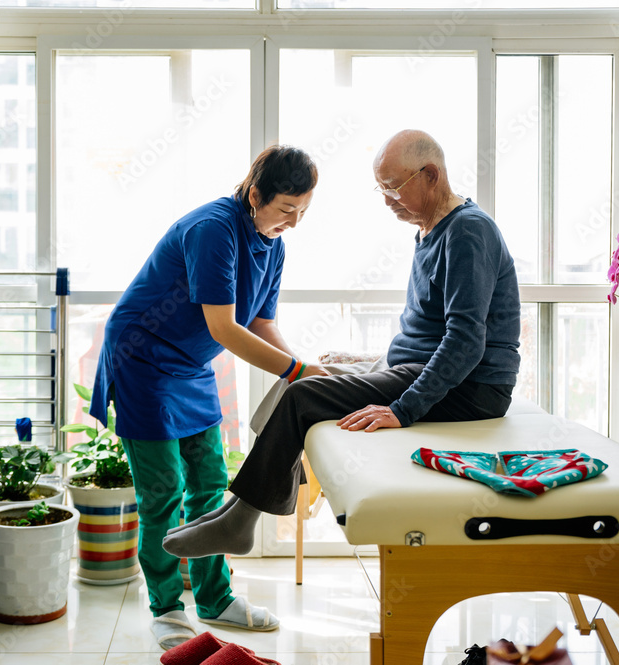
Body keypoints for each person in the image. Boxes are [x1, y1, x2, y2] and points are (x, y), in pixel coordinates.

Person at [163, 129, 521, 559]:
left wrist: (401, 410)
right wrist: (369, 362)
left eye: (394, 187)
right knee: (314, 372)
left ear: (430, 175)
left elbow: (465, 342)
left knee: (303, 392)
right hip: (416, 369)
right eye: (381, 189)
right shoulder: (429, 229)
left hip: (473, 389)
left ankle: (242, 522)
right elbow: (426, 333)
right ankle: (238, 506)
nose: (387, 200)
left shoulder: (467, 232)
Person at [89, 145, 331, 650]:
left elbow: (262, 322)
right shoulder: (213, 229)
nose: (294, 221)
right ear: (255, 193)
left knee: (211, 482)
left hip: (191, 365)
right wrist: (296, 369)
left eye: (304, 212)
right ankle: (166, 607)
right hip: (142, 359)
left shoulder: (274, 244)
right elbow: (224, 327)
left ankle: (215, 598)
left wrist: (303, 373)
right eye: (287, 208)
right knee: (163, 491)